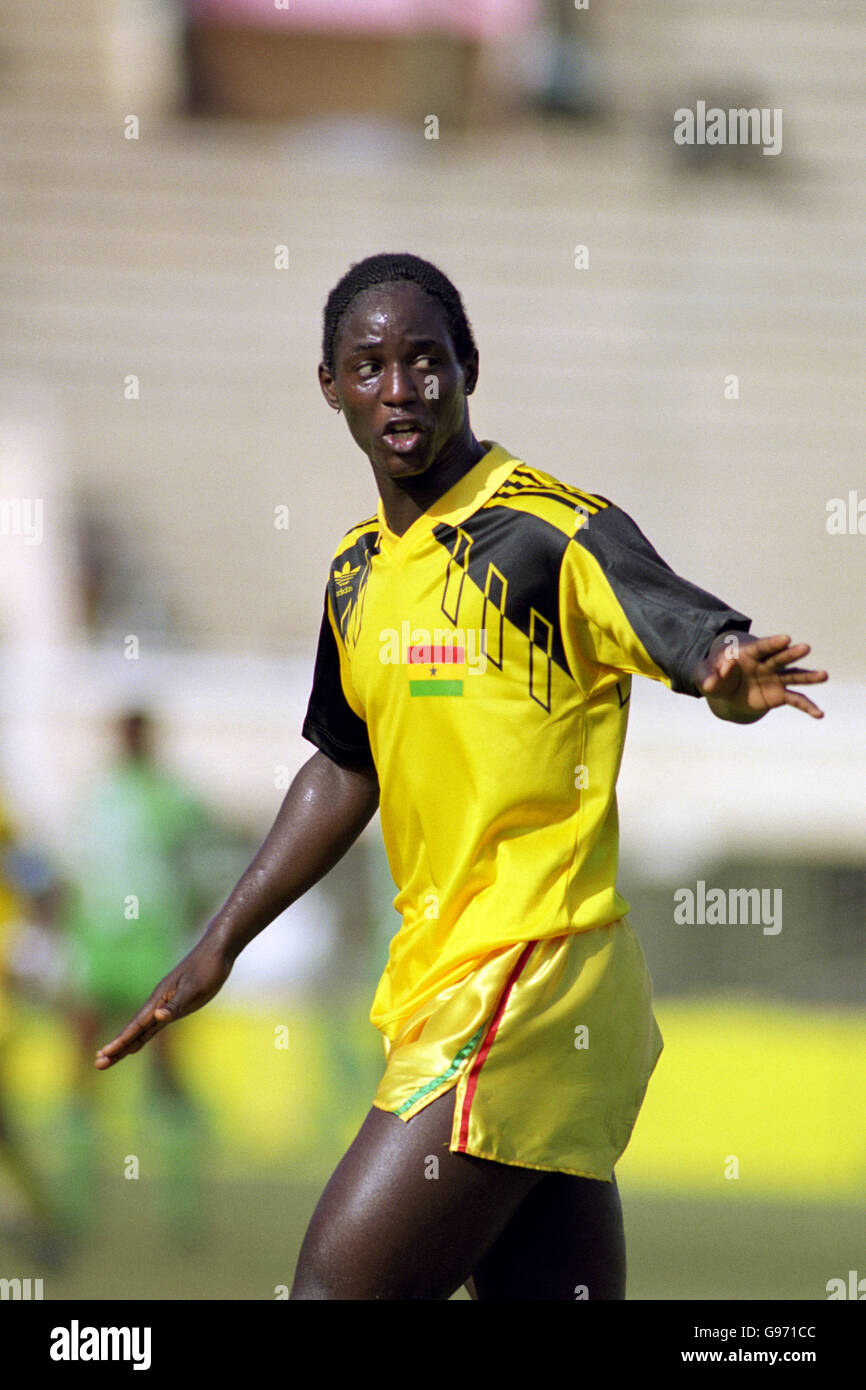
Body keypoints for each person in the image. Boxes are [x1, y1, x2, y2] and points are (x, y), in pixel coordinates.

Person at [94, 253, 828, 1300]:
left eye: (424, 361)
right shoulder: (355, 573)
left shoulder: (544, 529)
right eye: (370, 364)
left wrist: (722, 671)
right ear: (330, 385)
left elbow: (683, 634)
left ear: (468, 368)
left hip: (529, 975)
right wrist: (216, 945)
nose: (400, 387)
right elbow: (344, 767)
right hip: (444, 981)